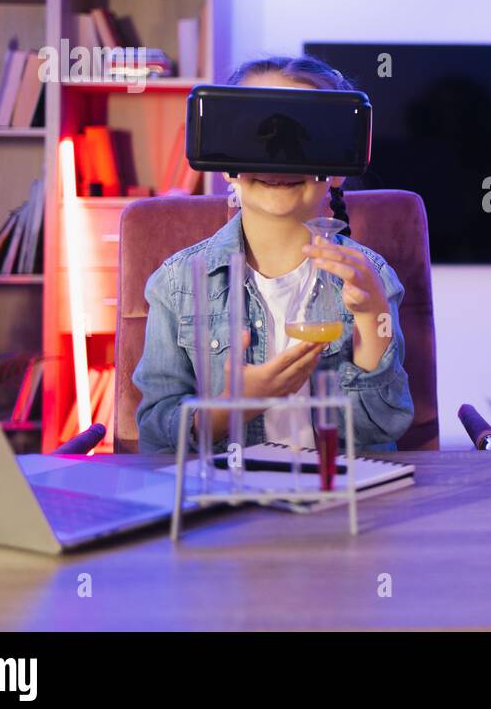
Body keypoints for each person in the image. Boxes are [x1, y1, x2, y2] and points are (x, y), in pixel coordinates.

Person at [134, 56, 414, 453]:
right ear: (226, 164)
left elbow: (382, 428)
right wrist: (232, 408)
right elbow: (156, 434)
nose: (279, 158)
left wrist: (372, 317)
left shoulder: (371, 278)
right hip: (224, 503)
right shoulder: (177, 284)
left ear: (337, 167)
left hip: (340, 500)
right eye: (259, 135)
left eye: (300, 136)